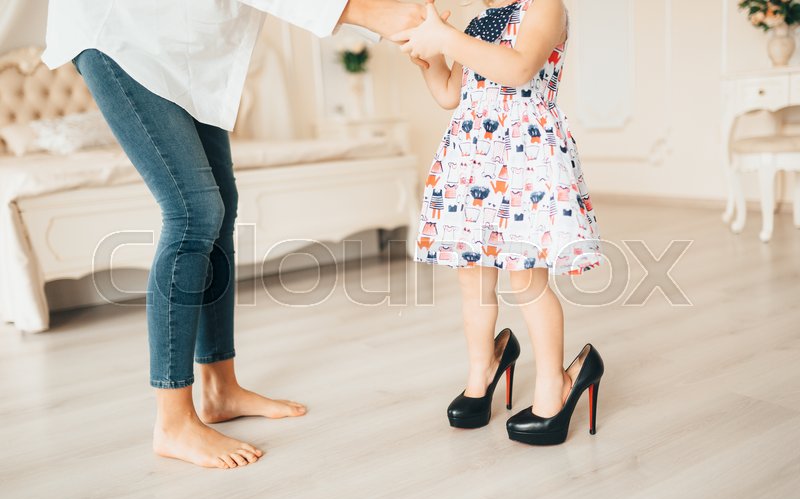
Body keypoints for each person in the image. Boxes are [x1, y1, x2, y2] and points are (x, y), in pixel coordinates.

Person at [41, 0, 430, 469]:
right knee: (193, 212)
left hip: (181, 39)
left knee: (219, 211)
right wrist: (370, 14)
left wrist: (381, 12)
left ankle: (219, 388)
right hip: (118, 29)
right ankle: (173, 421)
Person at [395, 0, 605, 445]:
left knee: (525, 277)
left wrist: (447, 39)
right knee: (472, 279)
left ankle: (556, 385)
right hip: (472, 159)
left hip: (523, 158)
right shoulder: (478, 22)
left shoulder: (544, 7)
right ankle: (483, 369)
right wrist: (429, 58)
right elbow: (451, 94)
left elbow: (517, 69)